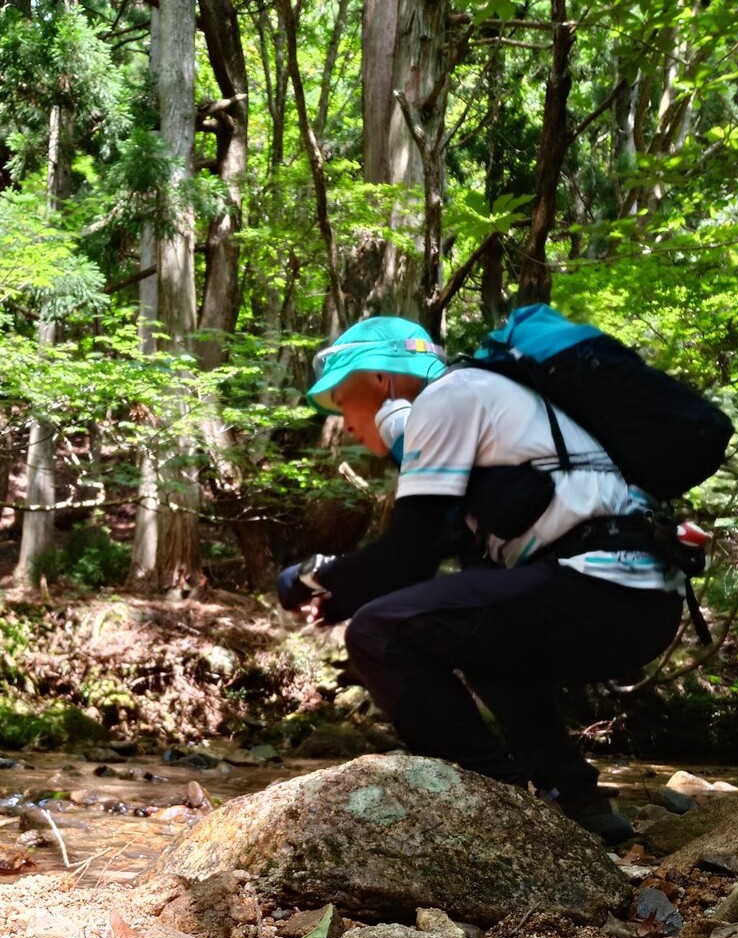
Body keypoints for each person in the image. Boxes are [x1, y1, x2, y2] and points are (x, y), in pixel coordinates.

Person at [276, 315, 685, 844]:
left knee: (376, 632)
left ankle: (498, 801)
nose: (345, 422)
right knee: (473, 630)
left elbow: (405, 558)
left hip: (605, 589)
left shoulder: (448, 397)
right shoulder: (483, 408)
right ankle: (577, 801)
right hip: (637, 602)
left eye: (342, 398)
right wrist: (340, 595)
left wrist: (305, 581)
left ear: (384, 379)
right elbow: (430, 566)